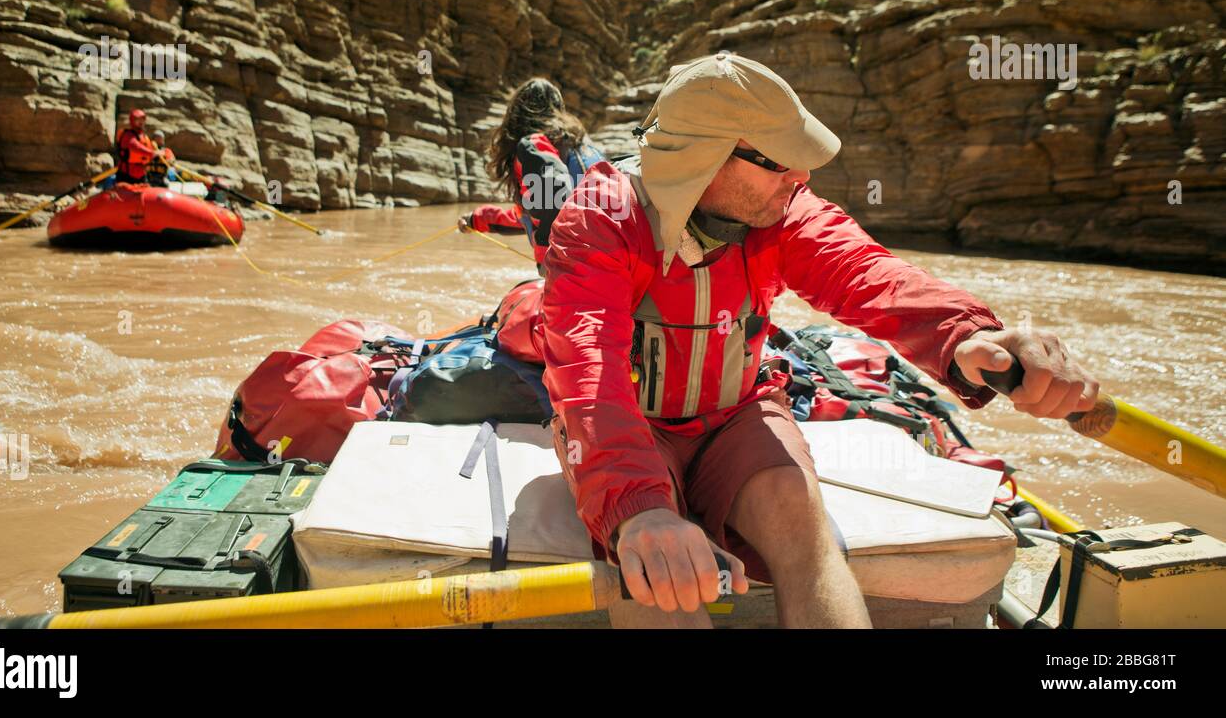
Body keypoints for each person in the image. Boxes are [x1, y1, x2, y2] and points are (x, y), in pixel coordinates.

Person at [540, 52, 1100, 629]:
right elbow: (588, 368)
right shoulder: (599, 215)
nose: (800, 176)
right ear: (706, 155)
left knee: (797, 514)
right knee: (659, 576)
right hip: (634, 421)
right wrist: (640, 508)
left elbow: (865, 272)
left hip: (735, 412)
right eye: (779, 161)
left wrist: (966, 335)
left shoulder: (781, 211)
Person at [457, 78, 603, 270]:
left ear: (516, 116)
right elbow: (535, 215)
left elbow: (556, 199)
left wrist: (545, 257)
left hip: (581, 265)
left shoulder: (533, 144)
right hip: (613, 254)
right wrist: (478, 219)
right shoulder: (584, 146)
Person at [113, 108, 155, 185]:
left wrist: (166, 155)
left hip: (141, 174)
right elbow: (135, 146)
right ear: (132, 121)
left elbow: (155, 151)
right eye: (137, 119)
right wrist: (152, 153)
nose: (141, 122)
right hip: (126, 175)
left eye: (142, 119)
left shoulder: (144, 137)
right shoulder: (127, 135)